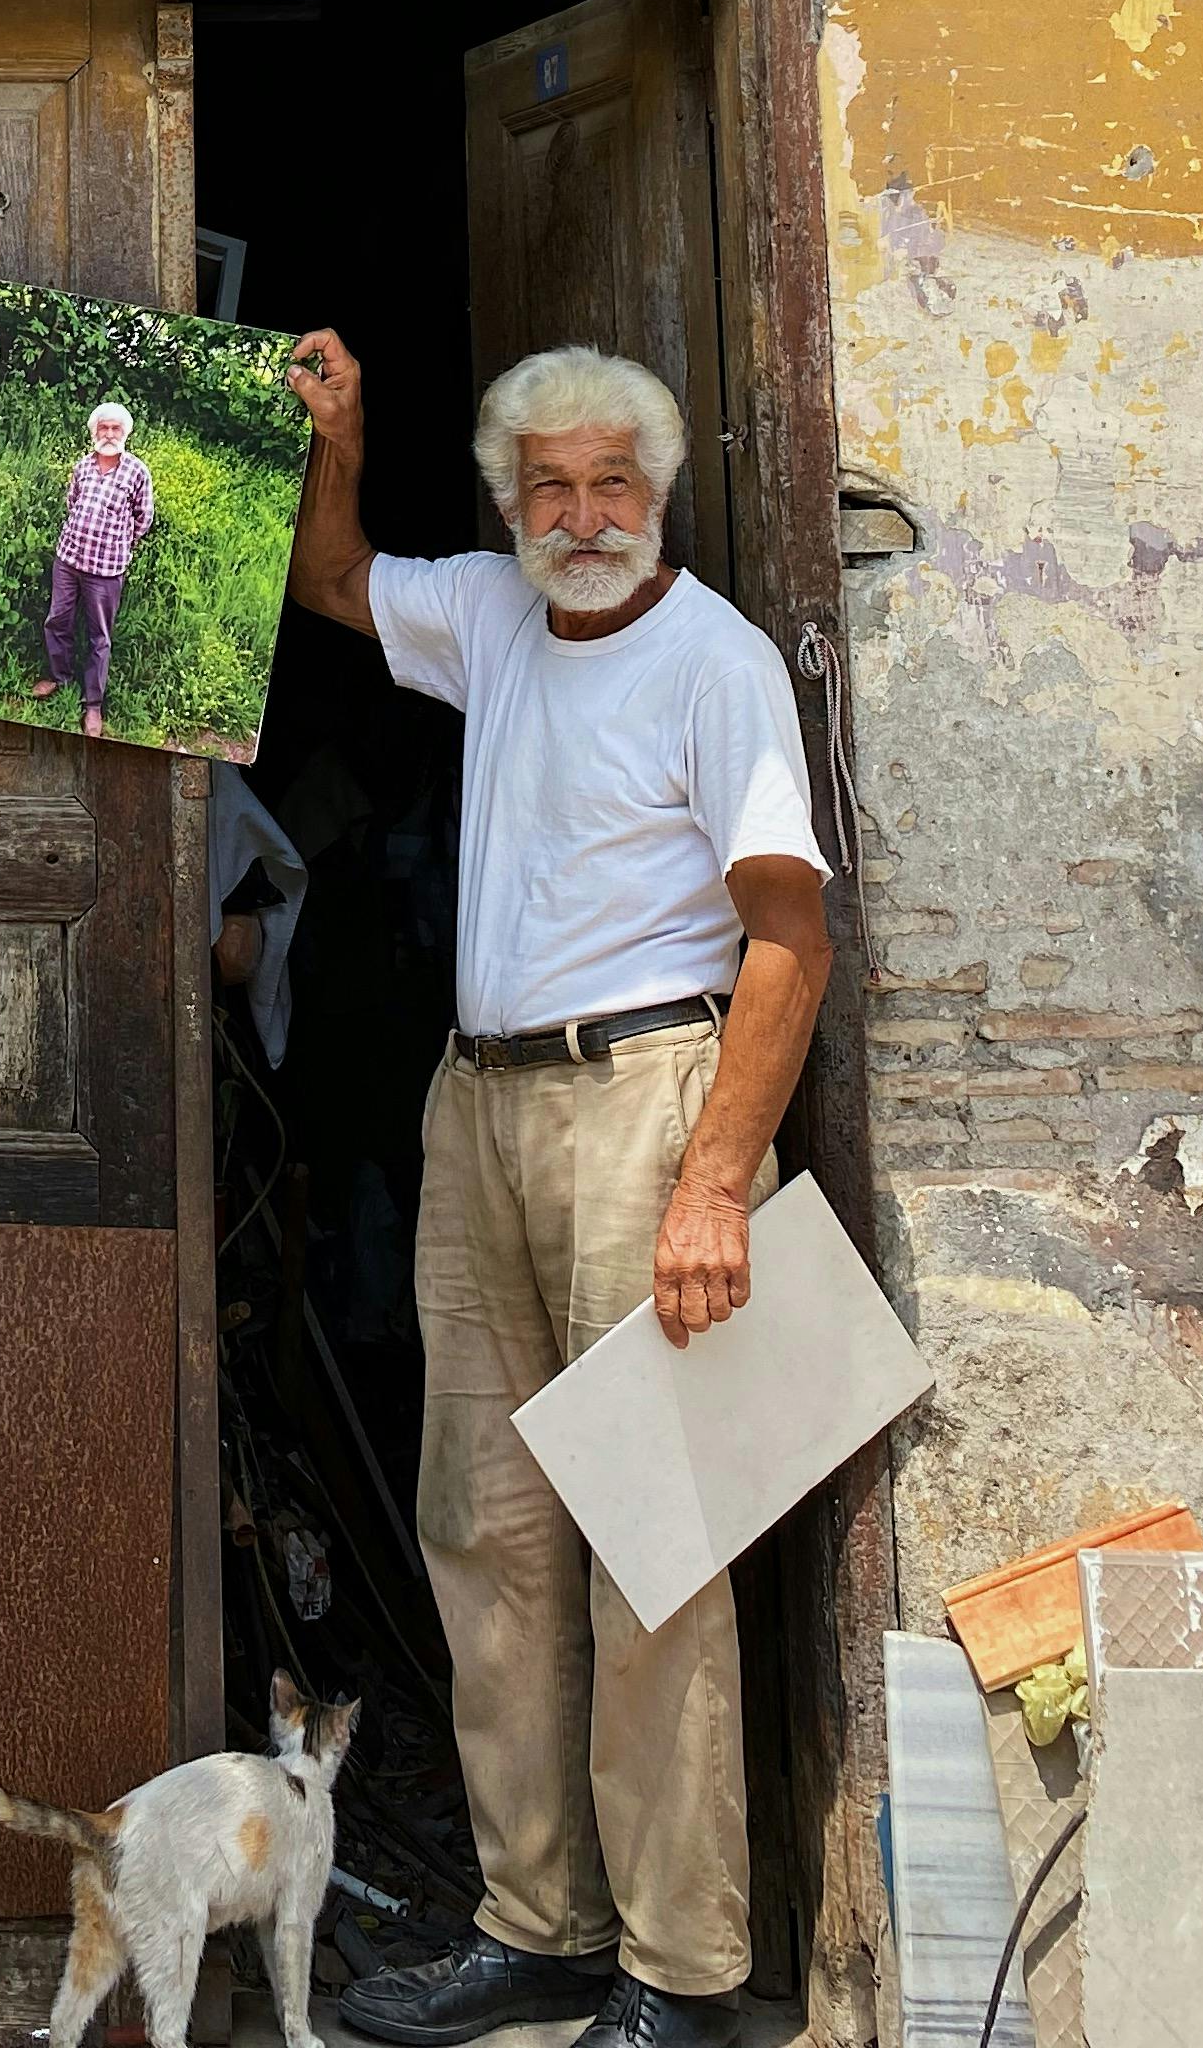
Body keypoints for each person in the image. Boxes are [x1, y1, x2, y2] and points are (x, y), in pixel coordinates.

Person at [282, 327, 832, 2048]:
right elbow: (331, 581)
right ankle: (538, 1923)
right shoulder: (495, 615)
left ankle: (676, 1973)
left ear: (652, 496)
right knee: (487, 1527)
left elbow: (786, 937)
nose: (580, 513)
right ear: (511, 501)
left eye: (609, 483)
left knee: (651, 1541)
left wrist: (714, 1184)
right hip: (482, 1107)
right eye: (548, 485)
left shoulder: (710, 660)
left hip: (648, 1102)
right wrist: (342, 438)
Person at [31, 396, 154, 734]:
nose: (110, 433)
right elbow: (72, 504)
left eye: (116, 428)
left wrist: (119, 544)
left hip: (107, 570)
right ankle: (59, 677)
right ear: (94, 431)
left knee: (100, 637)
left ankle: (93, 705)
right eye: (104, 427)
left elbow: (143, 519)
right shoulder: (82, 466)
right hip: (68, 560)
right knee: (58, 620)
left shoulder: (137, 472)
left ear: (125, 433)